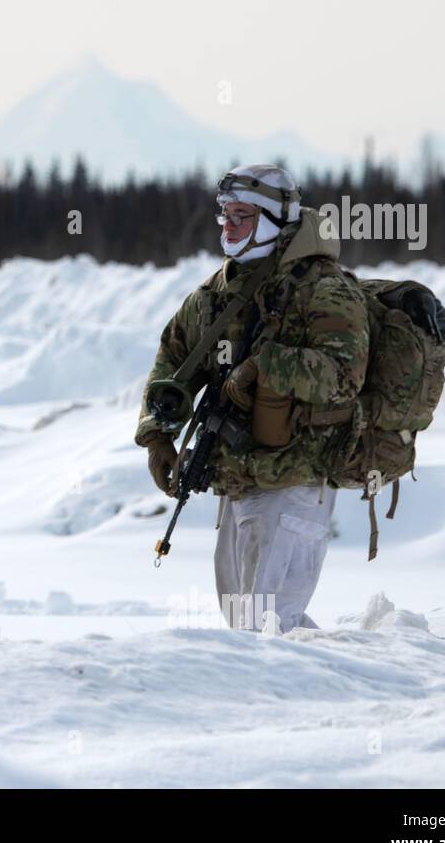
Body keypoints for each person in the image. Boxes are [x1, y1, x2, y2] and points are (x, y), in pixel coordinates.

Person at [135, 164, 369, 632]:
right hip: (237, 483)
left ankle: (321, 699)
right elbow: (172, 363)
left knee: (268, 629)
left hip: (295, 479)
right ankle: (323, 691)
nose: (228, 226)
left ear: (270, 220)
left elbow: (345, 375)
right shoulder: (217, 293)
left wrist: (265, 367)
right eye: (224, 215)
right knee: (248, 629)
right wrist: (158, 435)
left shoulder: (322, 288)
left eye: (240, 216)